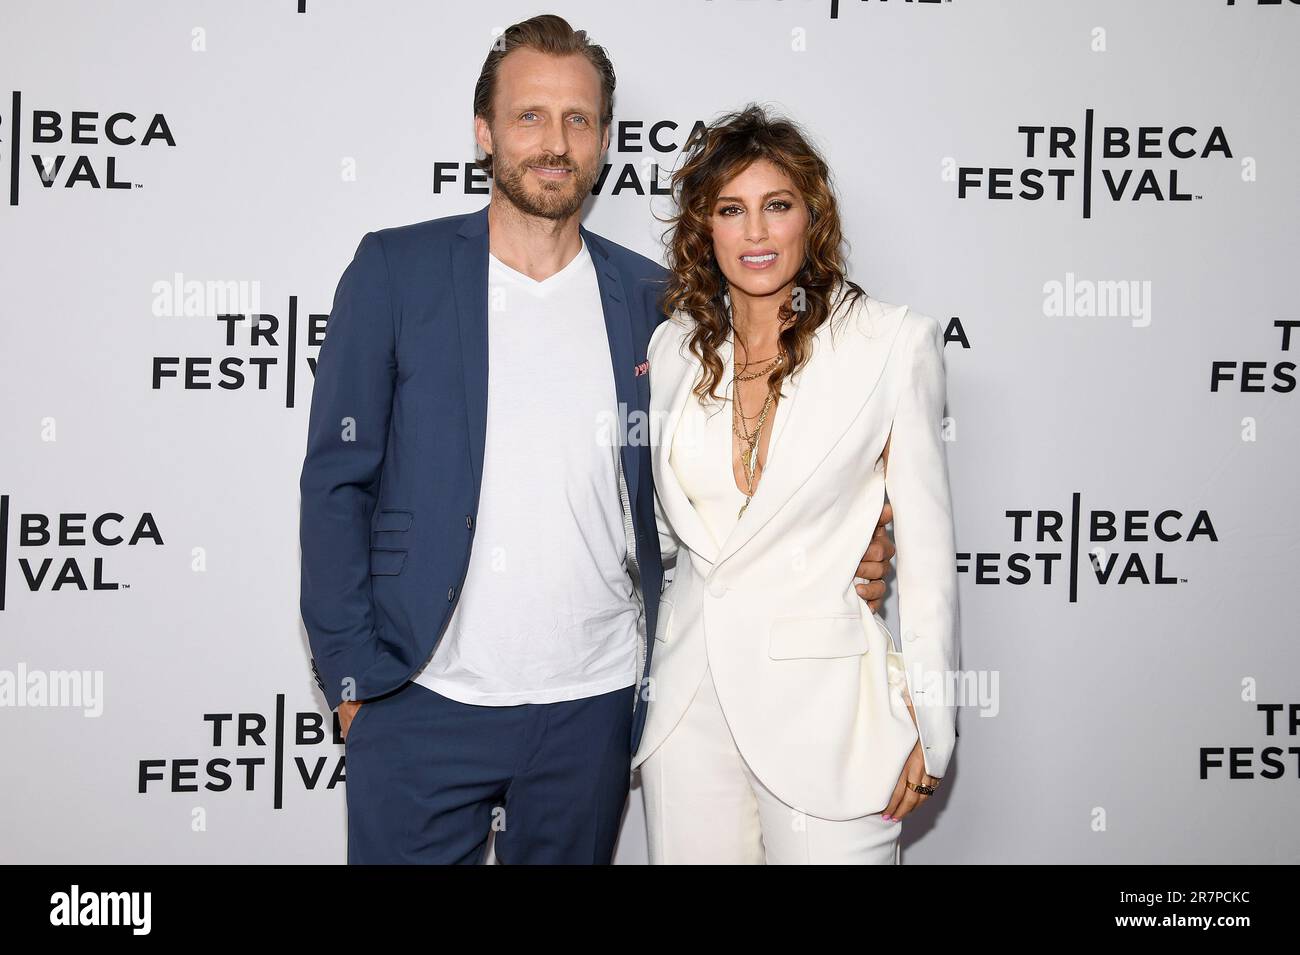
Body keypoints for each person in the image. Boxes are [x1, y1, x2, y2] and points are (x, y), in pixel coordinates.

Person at [299, 15, 894, 865]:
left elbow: (737, 483)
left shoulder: (656, 301)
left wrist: (850, 546)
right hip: (421, 699)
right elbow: (335, 483)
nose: (555, 141)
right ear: (484, 133)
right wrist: (356, 681)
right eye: (530, 116)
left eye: (578, 119)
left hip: (595, 707)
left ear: (604, 140)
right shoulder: (397, 271)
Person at [632, 104, 960, 864]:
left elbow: (931, 556)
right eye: (731, 210)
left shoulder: (890, 342)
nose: (754, 233)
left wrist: (934, 724)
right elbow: (666, 540)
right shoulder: (675, 349)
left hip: (832, 719)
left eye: (776, 206)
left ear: (810, 218)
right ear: (703, 228)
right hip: (689, 714)